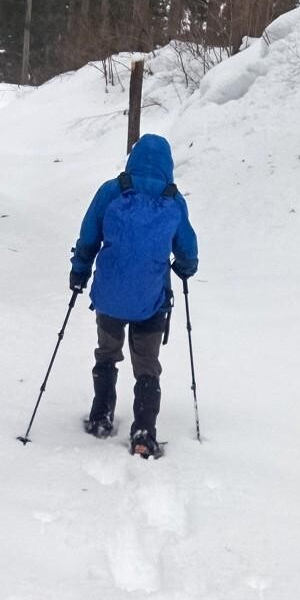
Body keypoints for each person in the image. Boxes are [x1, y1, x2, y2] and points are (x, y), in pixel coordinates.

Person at [69, 132, 198, 458]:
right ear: (167, 165)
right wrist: (185, 267)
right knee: (147, 365)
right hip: (151, 299)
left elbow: (88, 236)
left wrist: (79, 271)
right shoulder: (173, 199)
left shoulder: (112, 191)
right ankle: (144, 432)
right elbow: (188, 250)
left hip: (110, 296)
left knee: (107, 353)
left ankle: (101, 416)